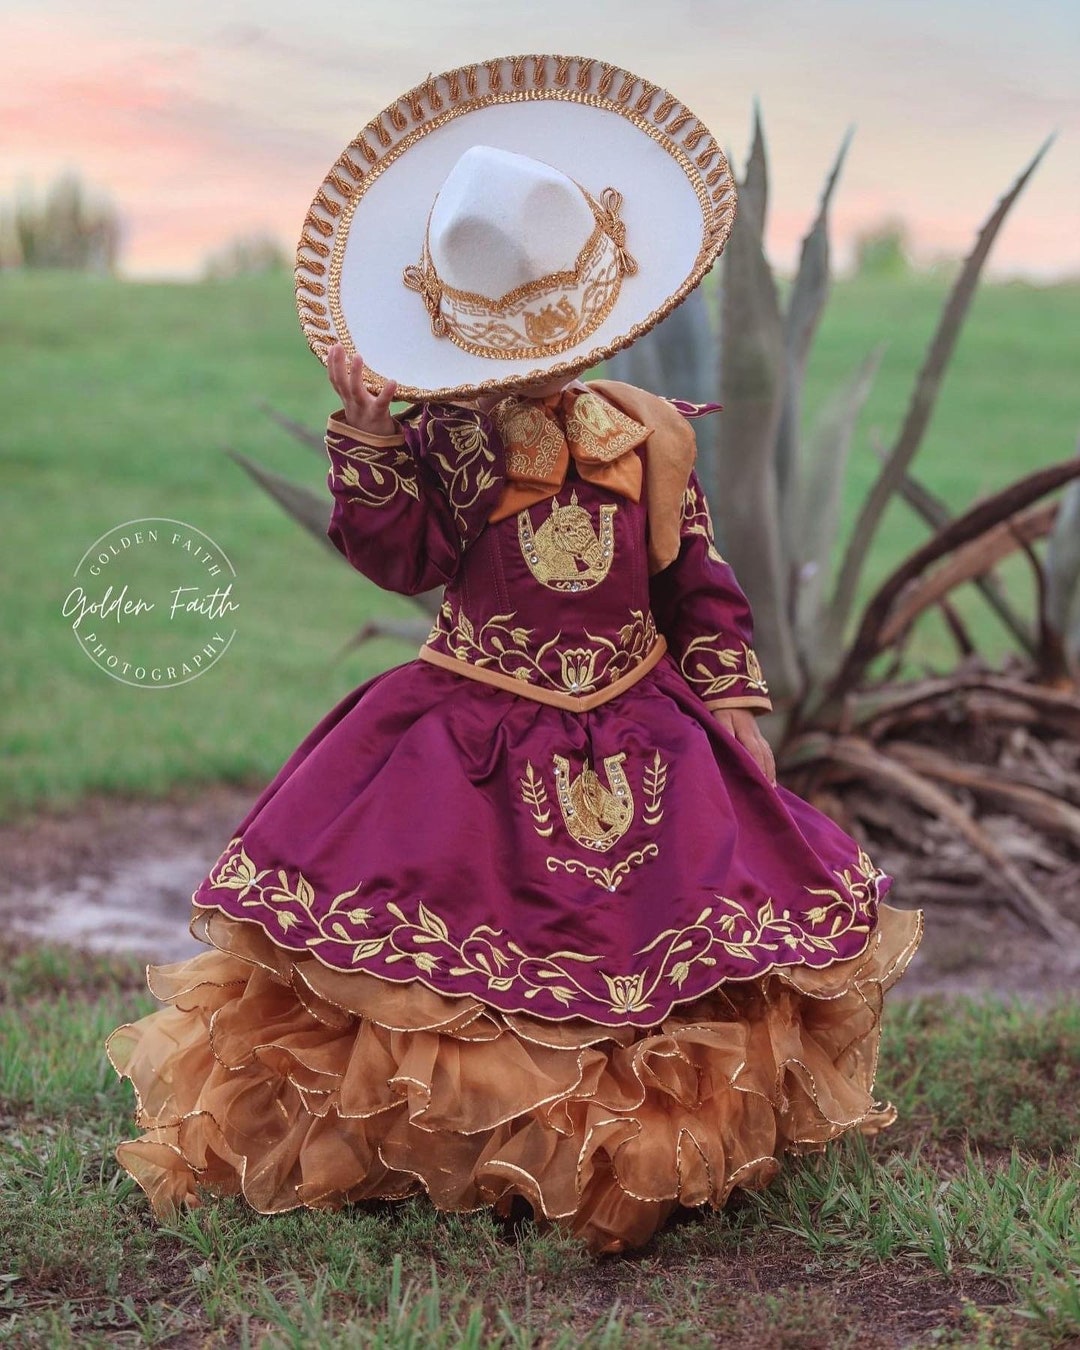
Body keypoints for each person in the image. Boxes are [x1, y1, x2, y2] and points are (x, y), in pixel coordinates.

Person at [106, 56, 922, 1255]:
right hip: (472, 726)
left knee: (667, 922)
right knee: (458, 937)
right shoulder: (447, 438)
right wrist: (373, 439)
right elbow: (399, 558)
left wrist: (731, 696)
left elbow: (698, 581)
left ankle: (647, 1134)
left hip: (643, 722)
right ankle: (466, 1134)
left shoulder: (648, 434)